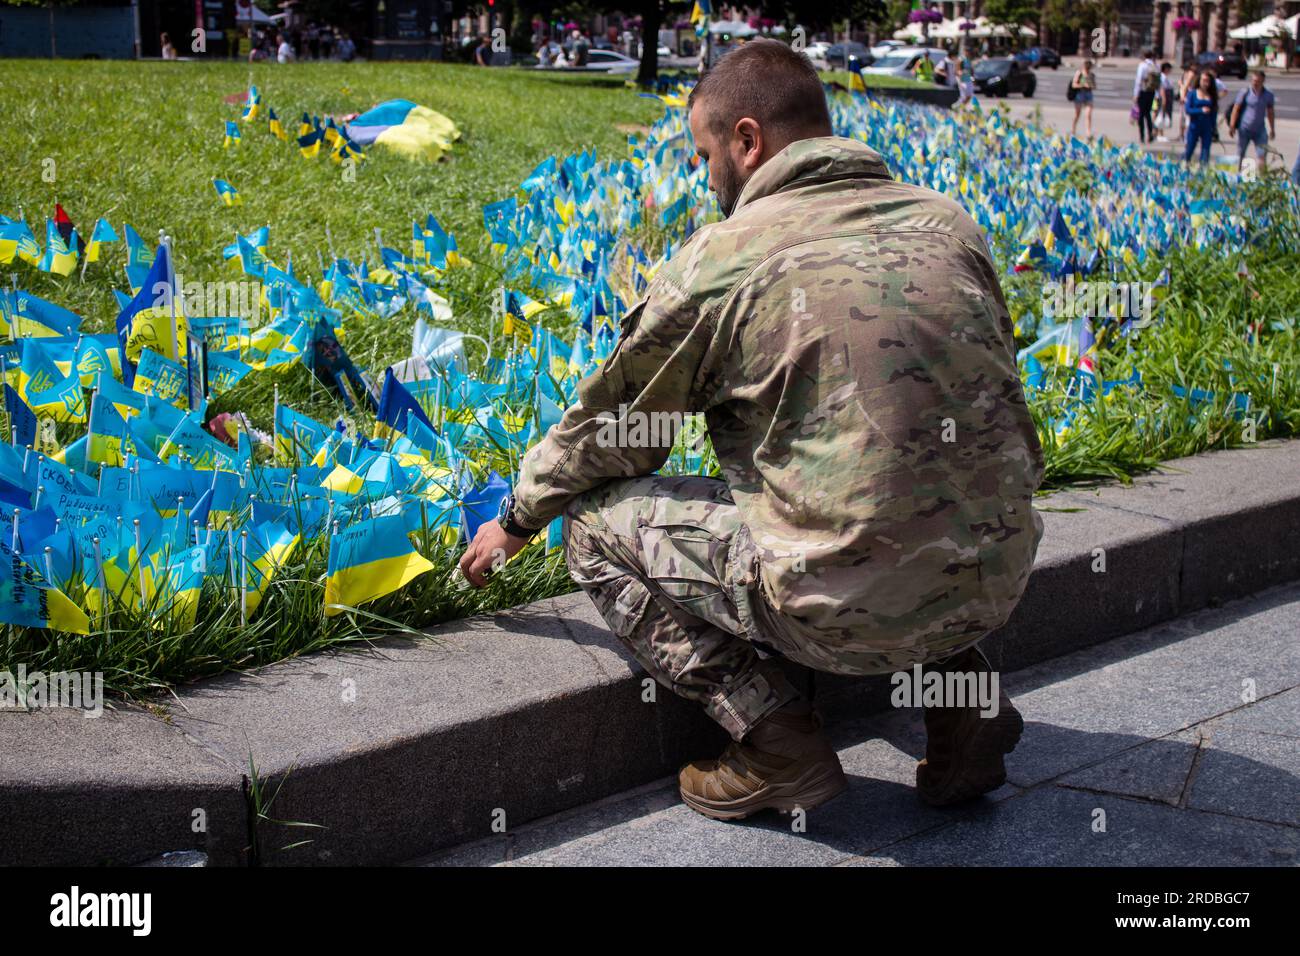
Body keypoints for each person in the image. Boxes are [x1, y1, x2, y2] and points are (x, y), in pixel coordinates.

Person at [459, 39, 1043, 820]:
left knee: (593, 526)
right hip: (994, 579)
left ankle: (776, 743)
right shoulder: (948, 223)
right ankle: (965, 707)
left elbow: (620, 430)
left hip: (844, 610)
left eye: (705, 154)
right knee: (913, 494)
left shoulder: (727, 256)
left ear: (747, 139)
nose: (706, 179)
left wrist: (516, 519)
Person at [1228, 70, 1276, 175]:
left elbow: (1270, 112)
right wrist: (1232, 125)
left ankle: (1263, 180)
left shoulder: (1268, 94)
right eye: (1253, 80)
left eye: (1258, 81)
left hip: (1260, 130)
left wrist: (1272, 129)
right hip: (1244, 128)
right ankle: (1240, 176)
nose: (1255, 83)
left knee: (1262, 155)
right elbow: (1236, 109)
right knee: (1241, 153)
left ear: (1263, 81)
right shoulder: (1245, 92)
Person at [1184, 70, 1217, 166]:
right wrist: (1200, 110)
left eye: (1208, 81)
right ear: (1199, 81)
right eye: (1203, 80)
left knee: (1205, 151)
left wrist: (1214, 128)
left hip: (1207, 127)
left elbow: (1214, 113)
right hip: (1194, 126)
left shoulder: (1211, 96)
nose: (1205, 83)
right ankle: (1185, 166)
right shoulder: (1193, 94)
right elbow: (1188, 110)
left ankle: (1202, 172)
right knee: (1189, 149)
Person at [1133, 48, 1160, 144]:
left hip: (1143, 91)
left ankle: (1142, 136)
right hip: (1151, 91)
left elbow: (1138, 80)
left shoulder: (1142, 65)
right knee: (1148, 113)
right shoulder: (1156, 65)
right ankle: (1150, 134)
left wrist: (1135, 94)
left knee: (1141, 114)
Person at [1070, 58, 1096, 140]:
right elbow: (1074, 85)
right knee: (1077, 114)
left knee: (1088, 114)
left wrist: (1090, 86)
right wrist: (1083, 85)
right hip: (1080, 94)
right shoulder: (1079, 73)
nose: (1088, 68)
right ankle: (1073, 130)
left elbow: (1094, 86)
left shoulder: (1091, 75)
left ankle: (1088, 133)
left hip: (1088, 94)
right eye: (1087, 66)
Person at [1177, 64, 1198, 138]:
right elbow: (1185, 87)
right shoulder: (1189, 73)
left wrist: (1182, 96)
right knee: (1184, 117)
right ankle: (1183, 134)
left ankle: (1185, 135)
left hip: (1187, 97)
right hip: (1186, 96)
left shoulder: (1190, 74)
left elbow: (1186, 86)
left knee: (1185, 116)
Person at [1157, 62, 1175, 143]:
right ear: (1166, 69)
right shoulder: (1162, 77)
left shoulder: (1165, 77)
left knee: (1162, 115)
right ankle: (1159, 134)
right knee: (1161, 115)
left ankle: (1159, 133)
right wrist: (1164, 99)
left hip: (1166, 98)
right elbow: (1162, 89)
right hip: (1163, 98)